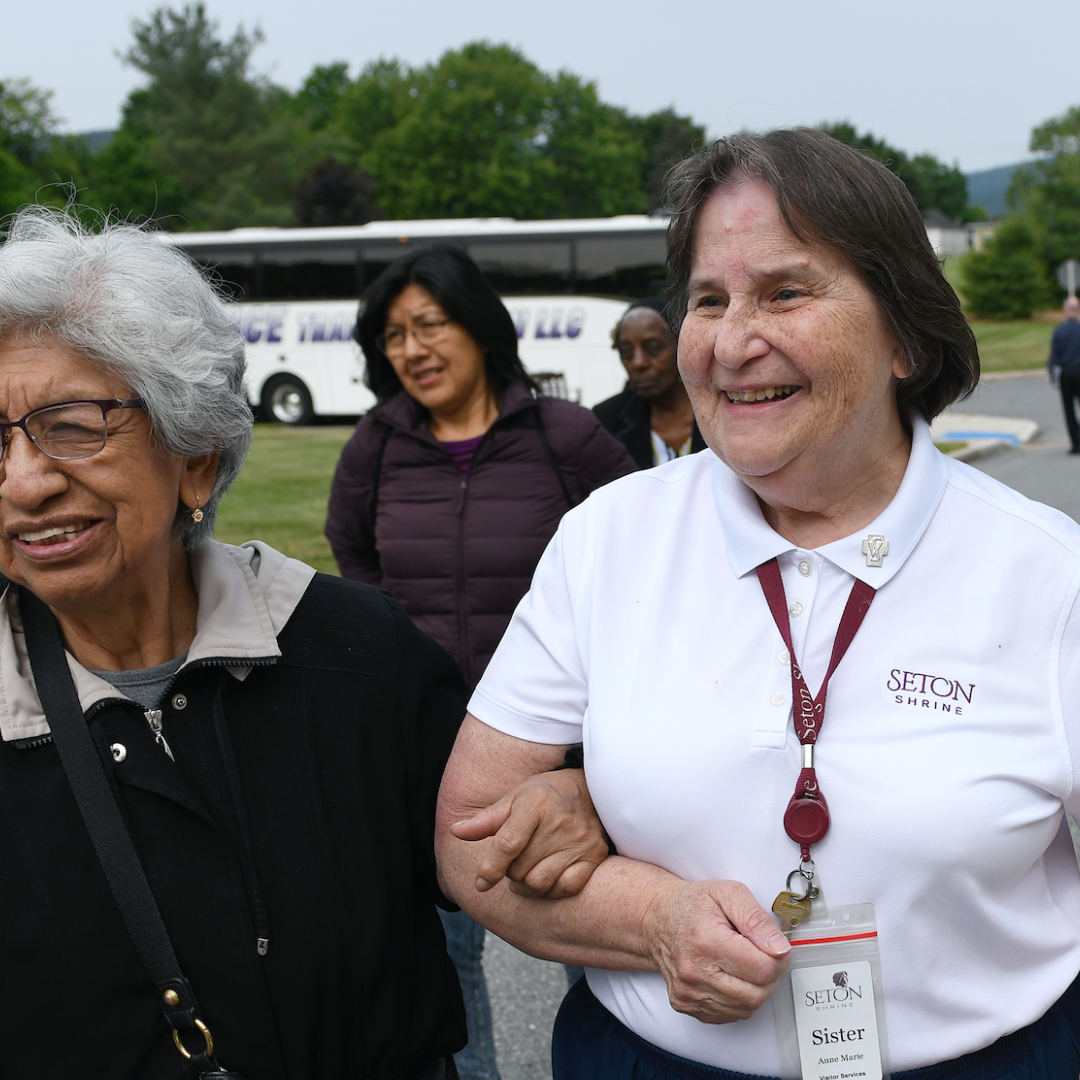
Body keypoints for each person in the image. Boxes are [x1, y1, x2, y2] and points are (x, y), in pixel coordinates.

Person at [435, 127, 1080, 1080]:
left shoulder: (1049, 574)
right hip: (653, 1062)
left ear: (905, 333)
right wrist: (652, 919)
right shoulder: (610, 539)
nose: (735, 342)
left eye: (786, 291)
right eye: (708, 299)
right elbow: (467, 840)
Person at [0, 207, 607, 1080]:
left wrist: (587, 797)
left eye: (71, 424)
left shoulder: (361, 658)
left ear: (197, 457)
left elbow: (506, 859)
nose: (25, 482)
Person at [325, 244, 634, 1079]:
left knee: (599, 953)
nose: (413, 348)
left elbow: (642, 556)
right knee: (447, 962)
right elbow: (352, 551)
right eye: (393, 335)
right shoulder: (376, 448)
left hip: (567, 758)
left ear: (479, 327)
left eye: (431, 324)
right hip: (427, 749)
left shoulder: (565, 438)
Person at [594, 297, 706, 468]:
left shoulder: (717, 410)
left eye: (653, 348)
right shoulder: (607, 419)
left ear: (681, 345)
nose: (638, 362)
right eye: (627, 351)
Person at [1049, 295, 1080, 453]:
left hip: (1066, 372)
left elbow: (1054, 358)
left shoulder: (1059, 331)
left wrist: (1054, 379)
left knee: (1069, 409)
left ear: (1066, 310)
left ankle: (1075, 444)